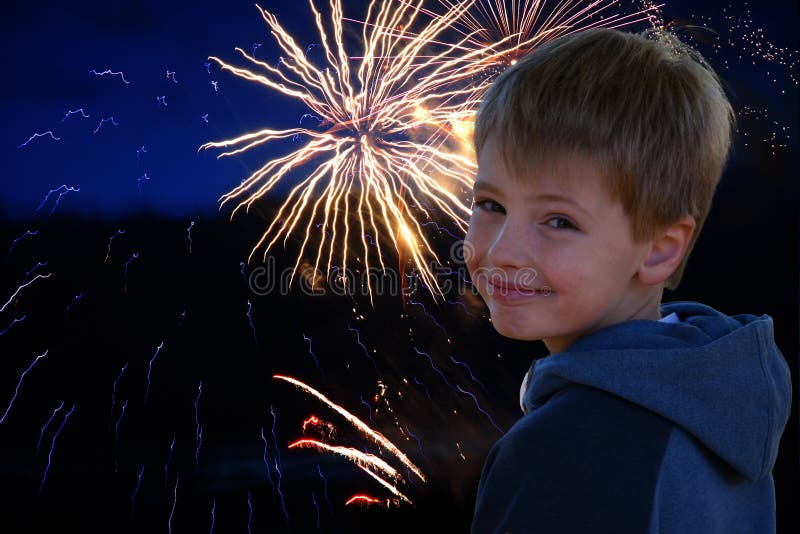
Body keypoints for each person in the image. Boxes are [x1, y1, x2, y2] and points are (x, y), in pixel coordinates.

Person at [464, 27, 792, 533]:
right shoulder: (721, 411)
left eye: (559, 221)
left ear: (660, 249)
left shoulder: (562, 450)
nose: (503, 252)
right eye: (491, 205)